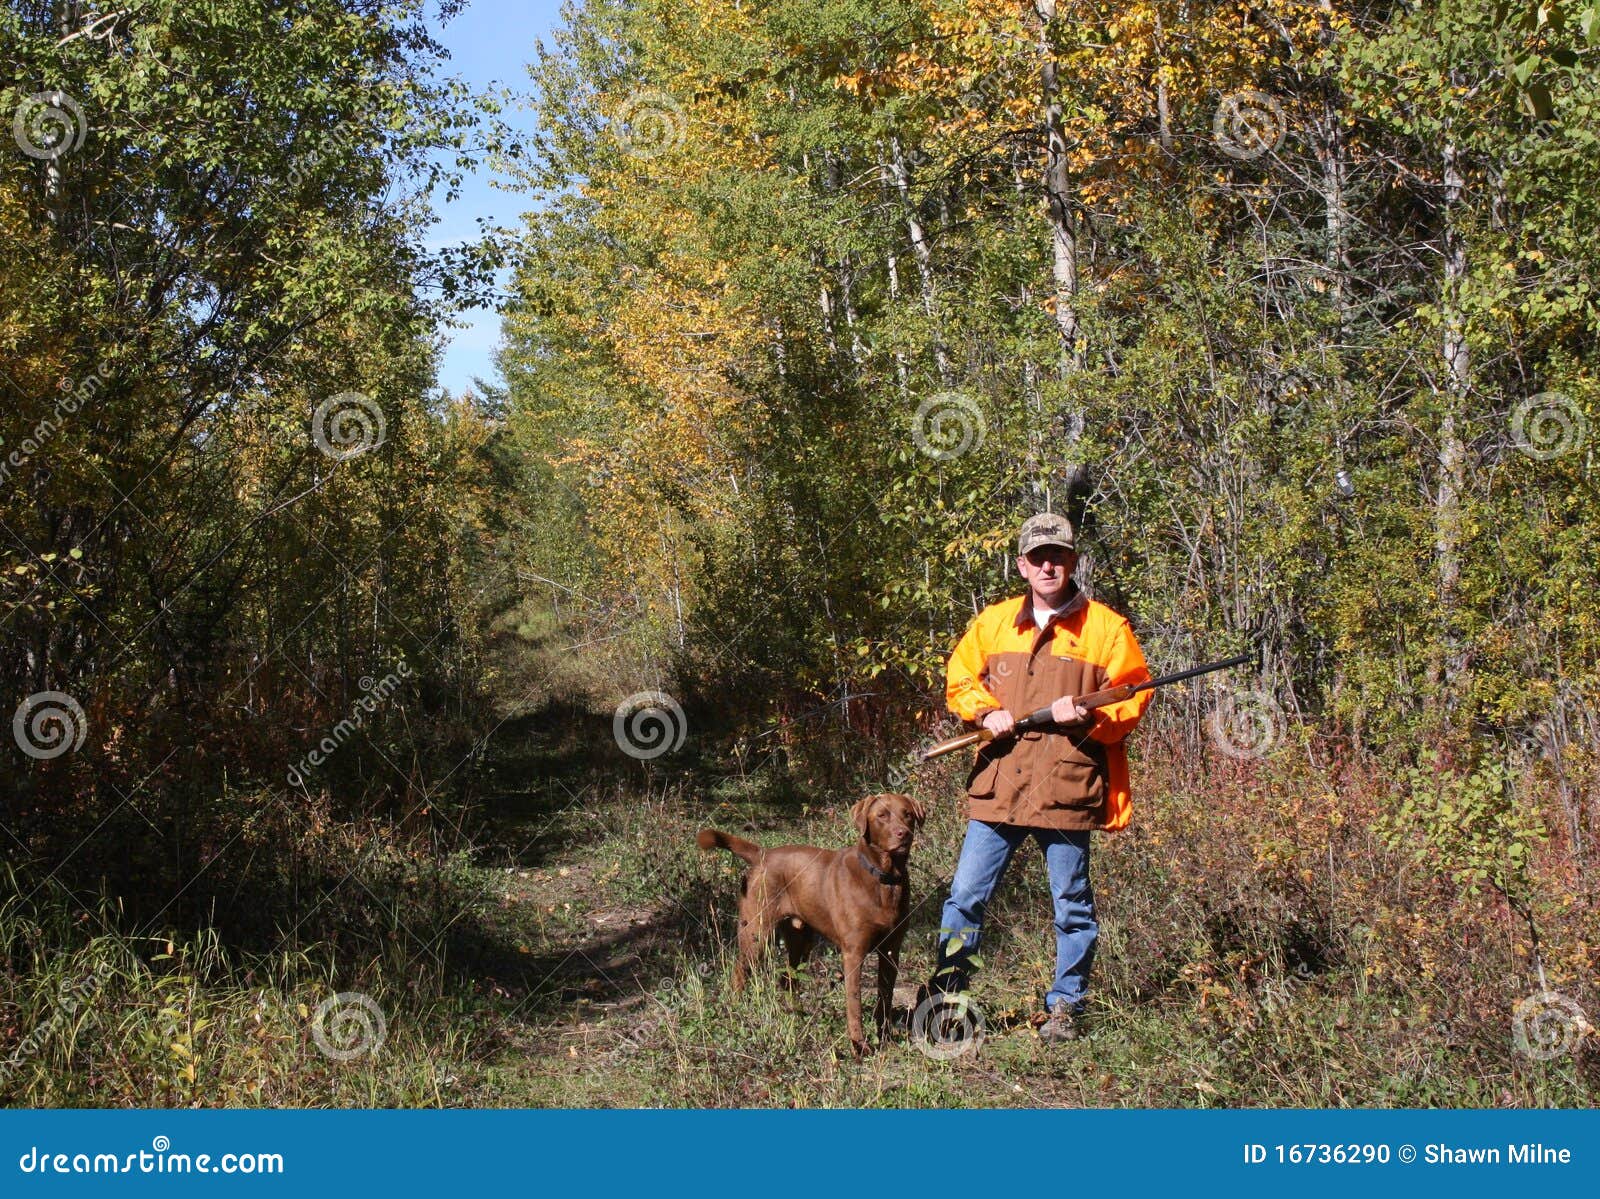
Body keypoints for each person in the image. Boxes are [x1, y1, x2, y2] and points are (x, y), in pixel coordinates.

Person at [928, 512, 1152, 1042]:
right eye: (1038, 557)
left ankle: (1067, 1008)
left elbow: (1136, 694)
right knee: (965, 897)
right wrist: (985, 713)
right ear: (1022, 564)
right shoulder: (994, 621)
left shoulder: (1106, 628)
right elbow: (960, 679)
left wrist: (1092, 716)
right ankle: (948, 995)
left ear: (1073, 561)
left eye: (1060, 556)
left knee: (1072, 905)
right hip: (1000, 782)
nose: (1049, 565)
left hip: (1066, 787)